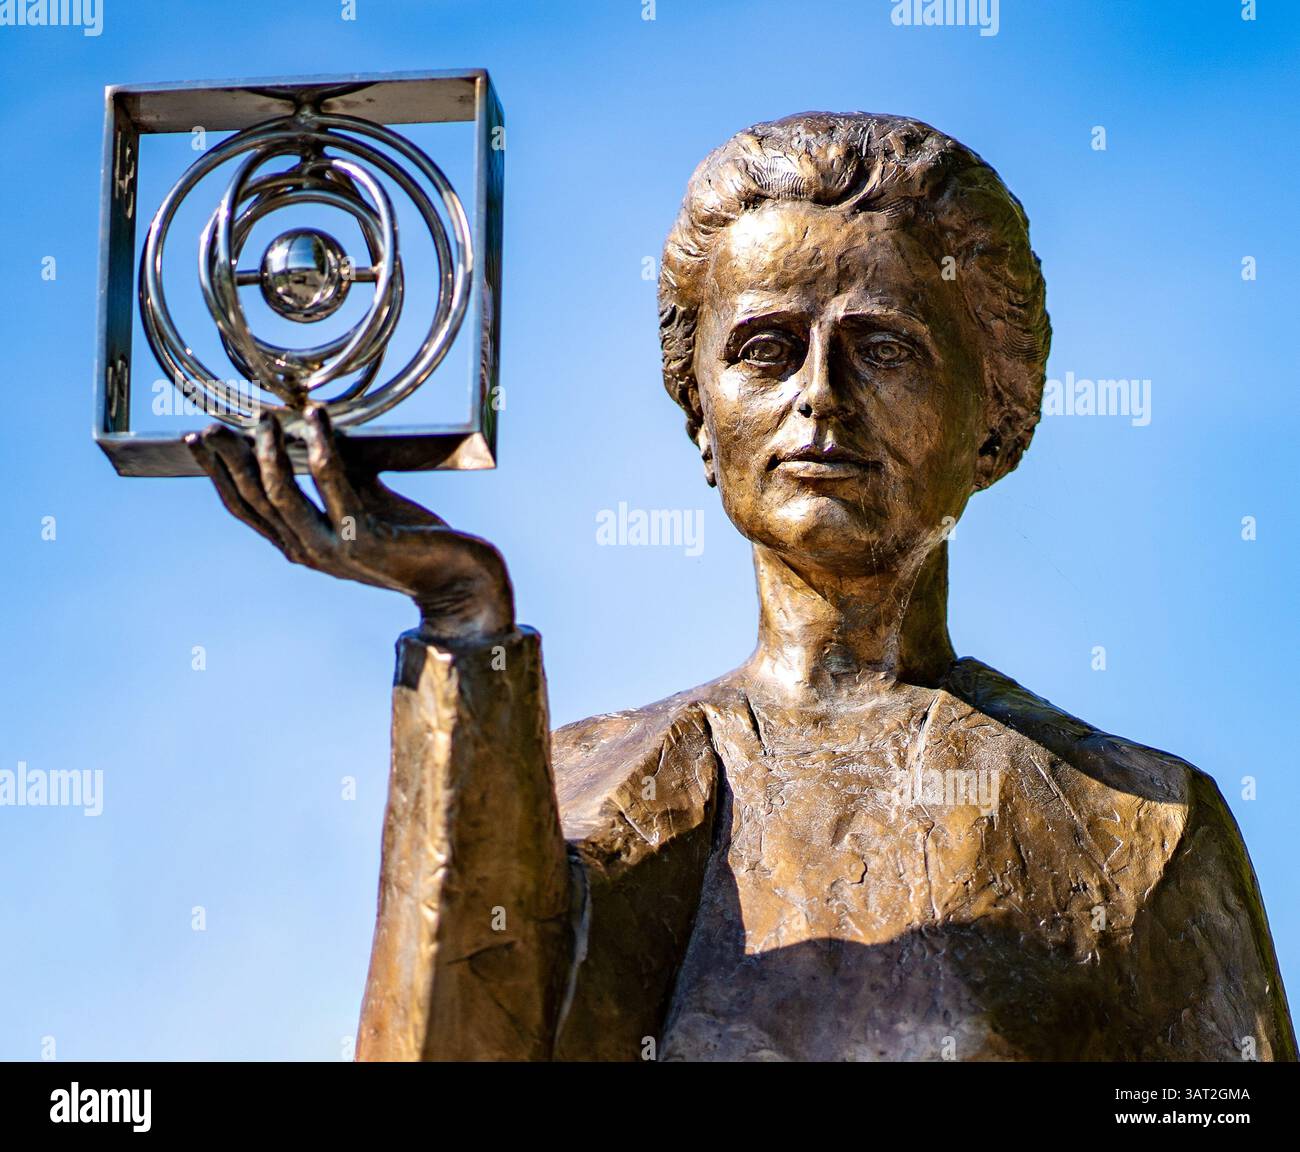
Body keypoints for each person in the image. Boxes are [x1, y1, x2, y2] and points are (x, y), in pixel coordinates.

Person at [188, 112, 1295, 1061]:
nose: (820, 397)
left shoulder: (1132, 822)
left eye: (885, 349)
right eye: (766, 348)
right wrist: (462, 626)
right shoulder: (582, 782)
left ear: (996, 420)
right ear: (701, 418)